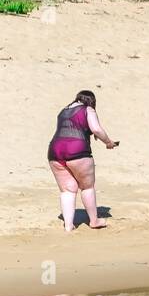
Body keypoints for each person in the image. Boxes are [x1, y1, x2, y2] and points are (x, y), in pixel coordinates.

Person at [48, 90, 117, 231]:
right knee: (87, 187)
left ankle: (68, 226)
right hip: (77, 151)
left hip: (55, 151)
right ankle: (94, 221)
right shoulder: (88, 109)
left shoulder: (63, 111)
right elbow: (96, 129)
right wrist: (108, 142)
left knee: (67, 190)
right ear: (91, 101)